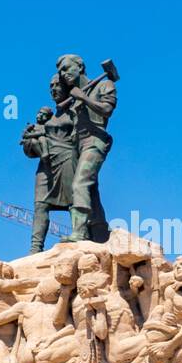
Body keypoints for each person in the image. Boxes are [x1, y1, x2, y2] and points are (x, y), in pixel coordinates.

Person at [50, 54, 116, 242]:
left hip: (95, 141)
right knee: (91, 190)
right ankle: (100, 232)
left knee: (79, 184)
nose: (63, 74)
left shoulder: (104, 86)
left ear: (79, 67)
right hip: (77, 147)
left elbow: (106, 110)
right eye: (60, 72)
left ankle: (79, 232)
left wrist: (84, 98)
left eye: (66, 68)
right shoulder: (73, 96)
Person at [21, 105, 77, 254]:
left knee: (74, 202)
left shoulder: (73, 112)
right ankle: (35, 247)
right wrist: (28, 141)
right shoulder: (39, 125)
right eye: (52, 86)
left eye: (57, 85)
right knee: (40, 205)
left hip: (66, 159)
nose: (54, 89)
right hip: (46, 167)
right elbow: (29, 152)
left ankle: (79, 236)